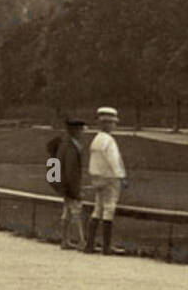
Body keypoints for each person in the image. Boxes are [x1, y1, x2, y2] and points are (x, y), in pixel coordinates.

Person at [84, 106, 127, 255]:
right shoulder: (109, 141)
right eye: (112, 123)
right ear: (107, 124)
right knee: (109, 208)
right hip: (110, 178)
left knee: (98, 208)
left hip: (97, 177)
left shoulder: (96, 139)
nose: (114, 126)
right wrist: (121, 176)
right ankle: (106, 246)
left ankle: (90, 244)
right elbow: (114, 160)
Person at [45, 119, 86, 250]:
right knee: (76, 212)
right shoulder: (71, 147)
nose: (82, 132)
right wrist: (75, 190)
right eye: (80, 130)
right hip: (69, 186)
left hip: (63, 185)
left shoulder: (64, 144)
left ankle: (65, 240)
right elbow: (71, 170)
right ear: (75, 131)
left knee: (67, 212)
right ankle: (81, 241)